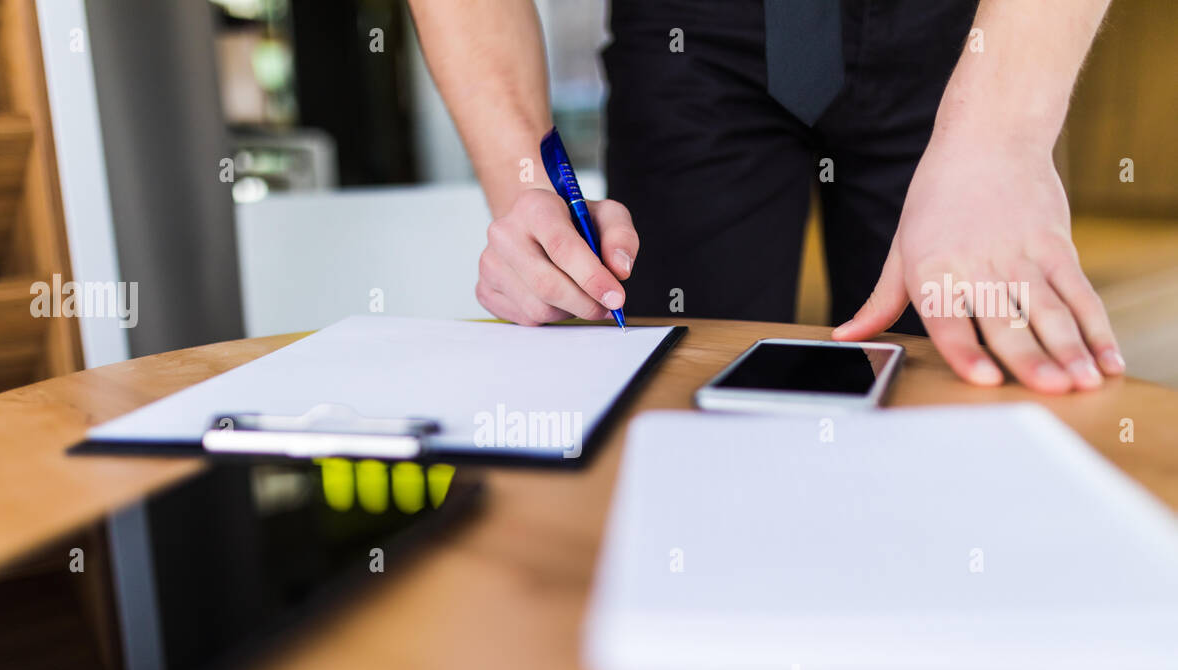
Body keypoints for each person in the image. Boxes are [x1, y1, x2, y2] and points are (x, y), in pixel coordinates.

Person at [408, 0, 1126, 394]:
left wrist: (1000, 135)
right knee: (675, 388)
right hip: (692, 33)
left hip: (967, 29)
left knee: (959, 388)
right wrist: (529, 187)